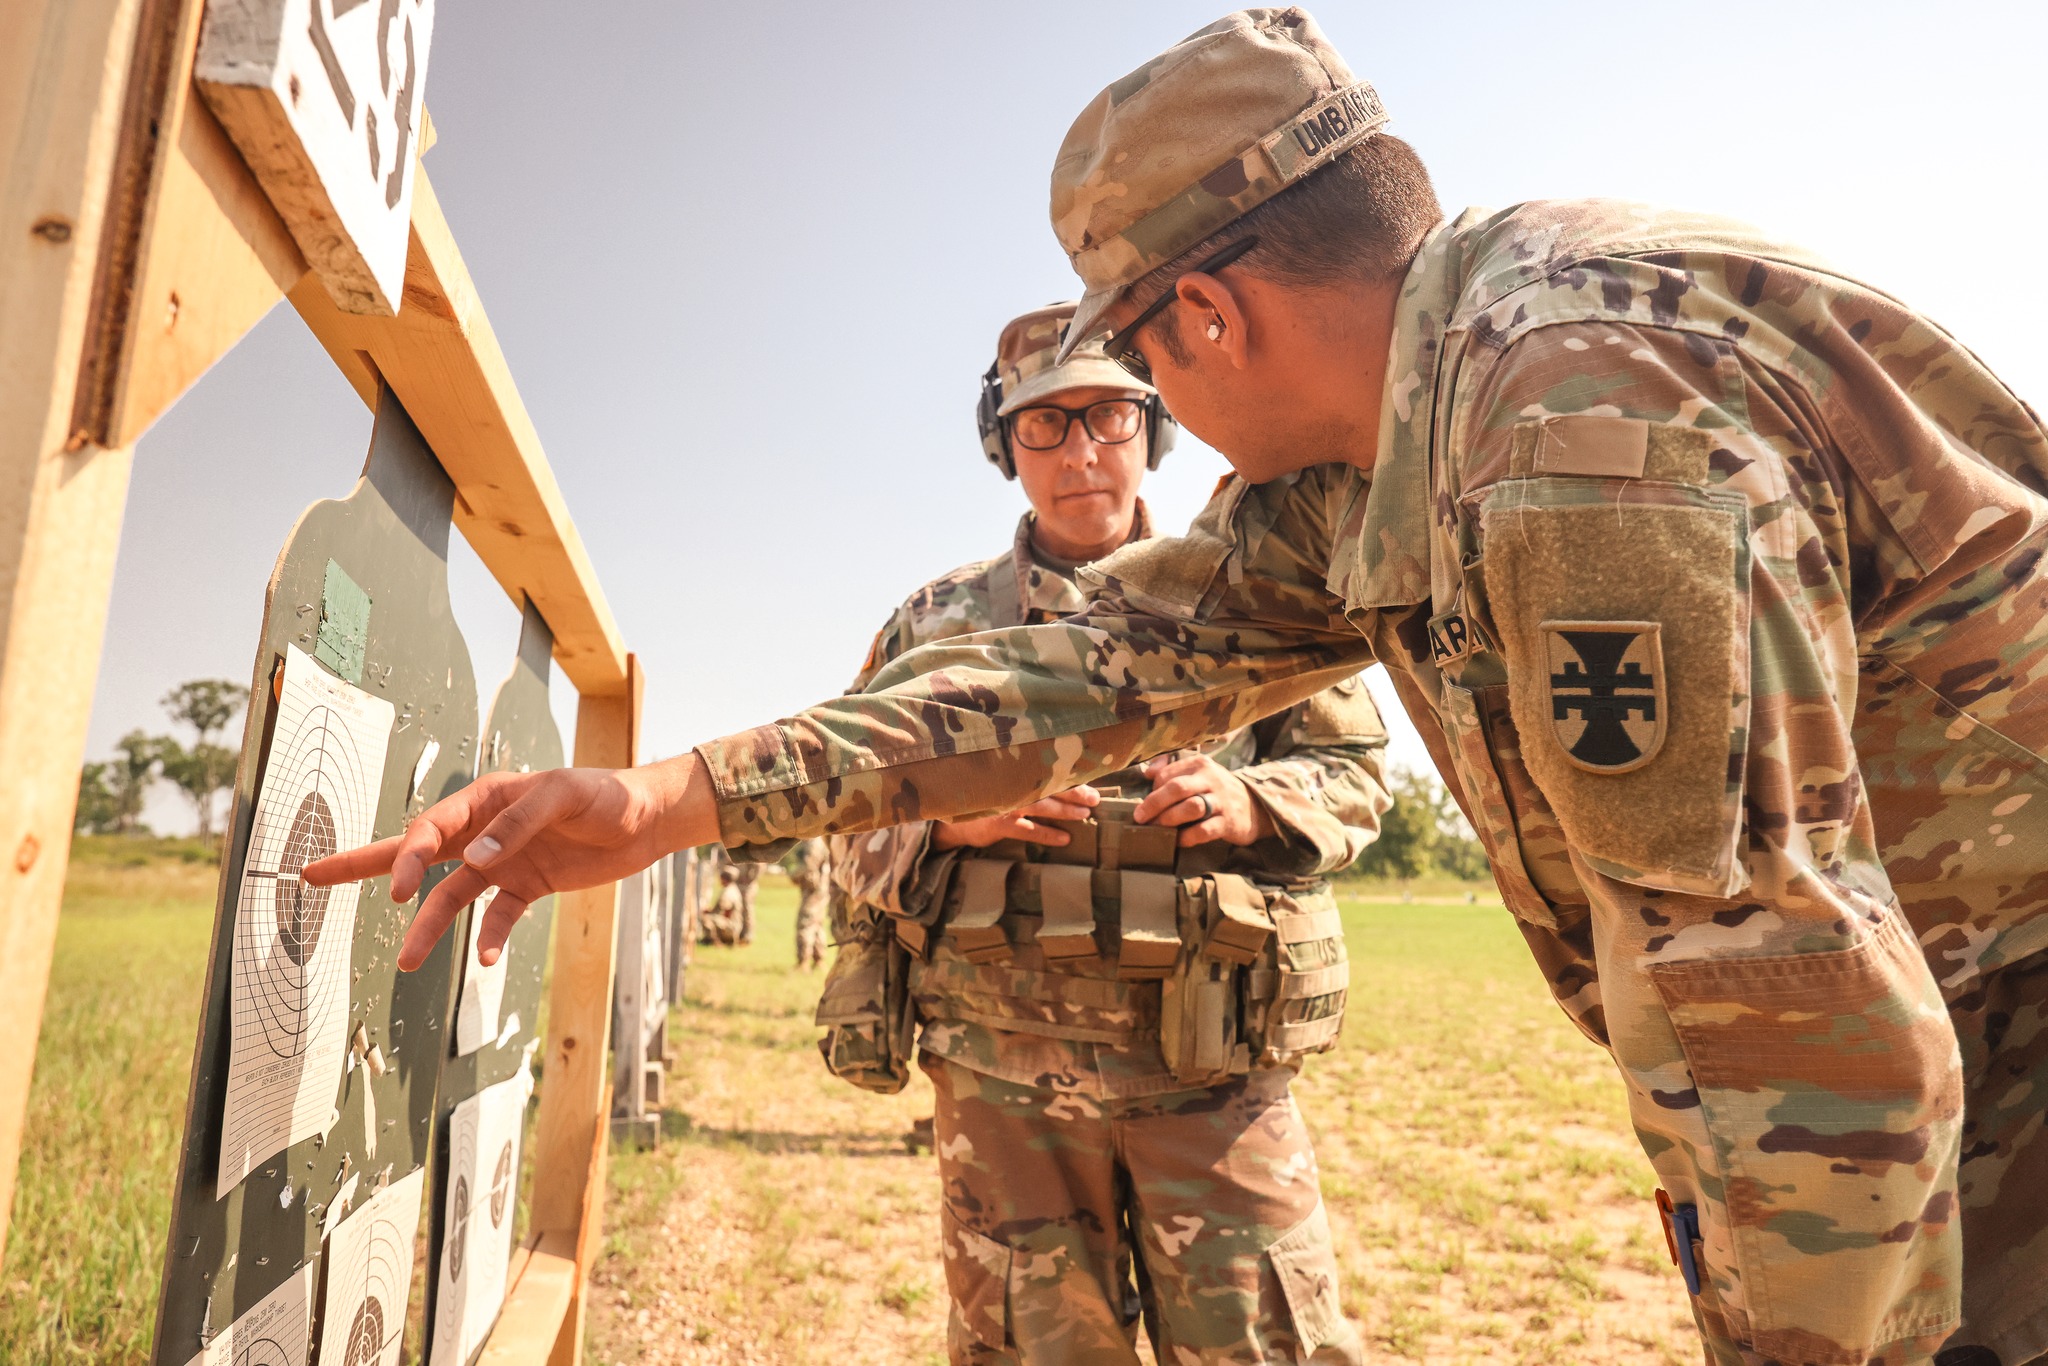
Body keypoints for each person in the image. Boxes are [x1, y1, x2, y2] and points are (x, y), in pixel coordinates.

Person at [308, 10, 2048, 1364]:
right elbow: (1071, 673)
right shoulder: (1389, 445)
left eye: (1130, 361)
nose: (1135, 413)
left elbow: (1786, 1009)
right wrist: (668, 801)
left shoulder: (1570, 436)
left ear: (1201, 319)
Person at [815, 300, 1389, 1361]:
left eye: (1108, 419)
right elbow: (841, 813)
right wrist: (946, 822)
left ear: (1153, 428)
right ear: (1005, 445)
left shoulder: (1251, 601)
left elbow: (1356, 777)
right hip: (1004, 1093)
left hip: (1211, 1077)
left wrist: (1250, 801)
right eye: (1045, 425)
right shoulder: (934, 628)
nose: (1079, 452)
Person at [789, 837, 830, 970]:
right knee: (817, 924)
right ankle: (819, 959)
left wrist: (793, 875)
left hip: (813, 891)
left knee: (805, 924)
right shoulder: (821, 842)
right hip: (821, 890)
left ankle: (803, 962)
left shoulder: (814, 844)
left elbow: (808, 867)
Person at [698, 864, 744, 947]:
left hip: (731, 927)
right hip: (735, 925)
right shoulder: (734, 889)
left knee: (705, 919)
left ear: (724, 879)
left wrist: (707, 911)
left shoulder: (727, 893)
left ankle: (714, 941)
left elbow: (723, 910)